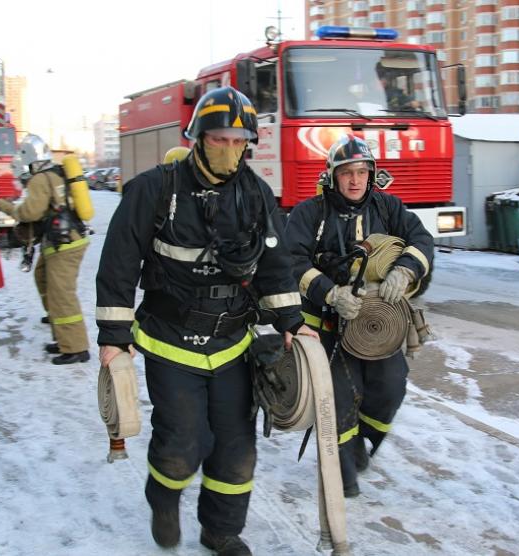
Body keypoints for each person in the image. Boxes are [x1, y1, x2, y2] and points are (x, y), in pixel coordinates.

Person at [95, 86, 316, 555]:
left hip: (233, 343)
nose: (230, 151)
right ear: (198, 138)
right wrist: (113, 336)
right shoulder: (155, 189)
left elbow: (276, 268)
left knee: (236, 450)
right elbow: (118, 263)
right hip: (169, 341)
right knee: (184, 442)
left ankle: (221, 531)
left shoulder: (255, 194)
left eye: (240, 142)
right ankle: (164, 496)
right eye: (220, 139)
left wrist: (293, 321)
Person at [284, 134, 434, 498]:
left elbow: (422, 240)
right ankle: (342, 468)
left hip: (377, 327)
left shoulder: (388, 208)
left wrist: (405, 270)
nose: (355, 180)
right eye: (347, 172)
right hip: (327, 328)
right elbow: (289, 261)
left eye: (362, 172)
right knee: (336, 397)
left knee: (390, 387)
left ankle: (362, 442)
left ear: (373, 174)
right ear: (332, 176)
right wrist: (330, 293)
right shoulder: (309, 214)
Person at [0, 135, 90, 365]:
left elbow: (30, 212)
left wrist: (6, 207)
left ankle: (76, 348)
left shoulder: (40, 179)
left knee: (62, 295)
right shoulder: (57, 173)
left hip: (63, 243)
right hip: (65, 240)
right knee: (43, 280)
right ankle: (63, 337)